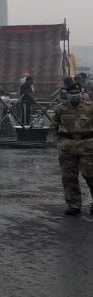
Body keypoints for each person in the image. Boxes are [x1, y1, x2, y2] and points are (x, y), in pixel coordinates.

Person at [50, 82, 93, 215]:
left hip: (88, 146)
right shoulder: (60, 108)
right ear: (67, 94)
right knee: (69, 177)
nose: (75, 95)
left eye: (77, 93)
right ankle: (74, 204)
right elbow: (53, 127)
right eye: (72, 93)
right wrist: (59, 143)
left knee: (91, 176)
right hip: (67, 147)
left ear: (81, 92)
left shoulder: (90, 107)